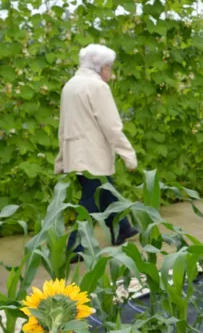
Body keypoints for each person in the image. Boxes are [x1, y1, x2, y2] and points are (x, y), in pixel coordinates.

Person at [55, 44, 140, 254]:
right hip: (92, 153)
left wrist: (61, 157)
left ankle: (122, 229)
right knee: (91, 200)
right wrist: (128, 154)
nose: (110, 72)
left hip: (76, 152)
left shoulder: (71, 85)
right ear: (101, 67)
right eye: (109, 67)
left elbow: (63, 124)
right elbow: (112, 125)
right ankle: (75, 246)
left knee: (105, 191)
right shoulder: (97, 87)